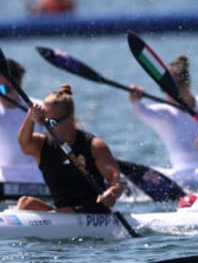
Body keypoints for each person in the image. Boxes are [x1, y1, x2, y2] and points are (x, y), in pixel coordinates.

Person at [16, 83, 124, 213]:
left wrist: (112, 193)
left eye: (52, 122)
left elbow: (116, 180)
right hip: (63, 213)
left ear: (70, 118)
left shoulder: (94, 146)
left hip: (93, 210)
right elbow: (24, 144)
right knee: (26, 203)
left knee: (64, 211)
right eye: (44, 121)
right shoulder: (41, 145)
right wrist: (30, 118)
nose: (48, 127)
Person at [128, 55, 198, 188]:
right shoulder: (165, 114)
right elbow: (141, 111)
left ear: (187, 84)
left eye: (170, 88)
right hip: (183, 177)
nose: (167, 93)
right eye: (163, 89)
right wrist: (135, 100)